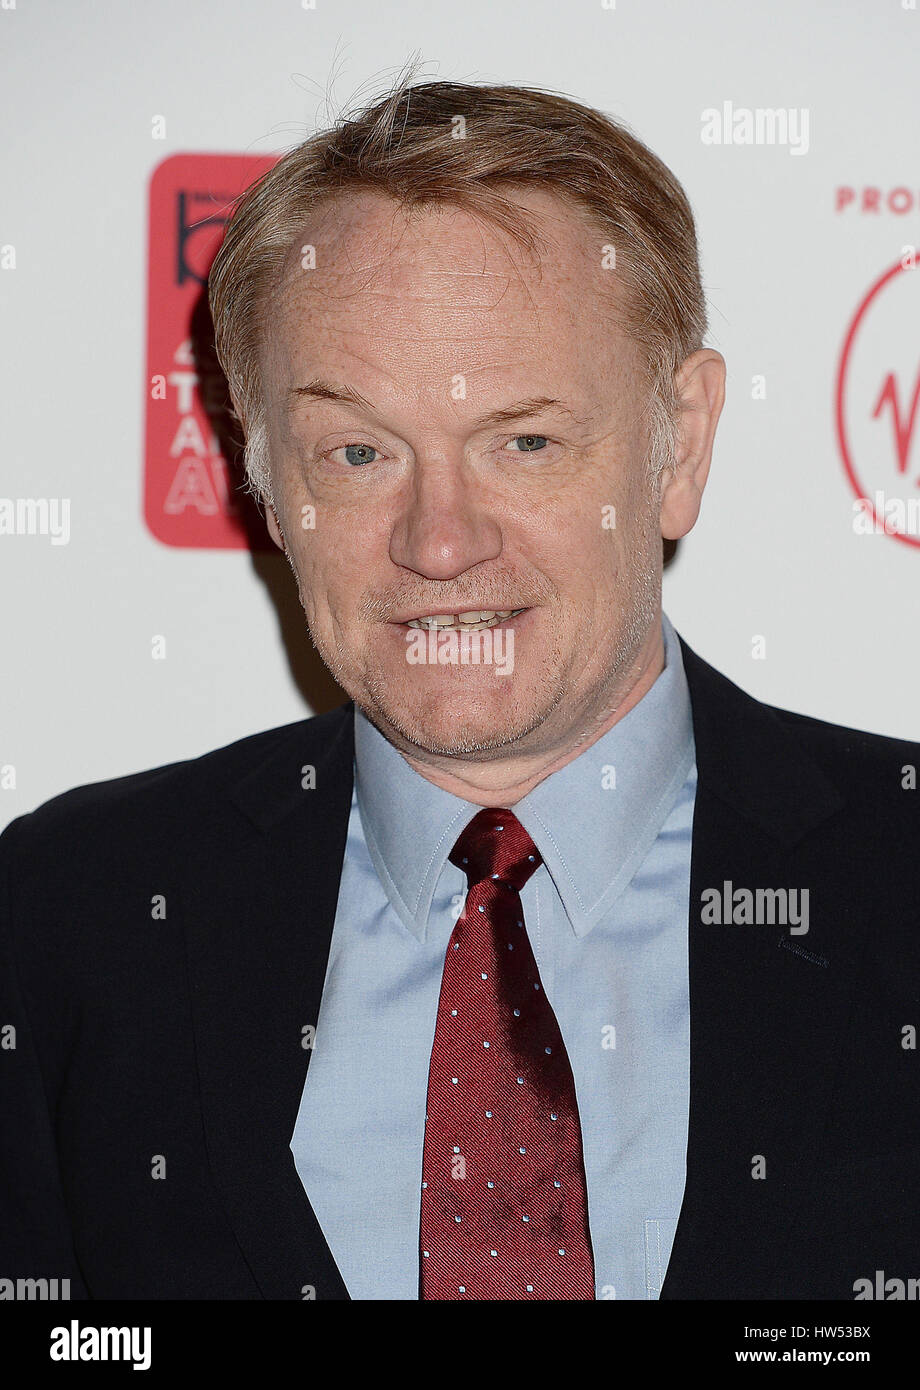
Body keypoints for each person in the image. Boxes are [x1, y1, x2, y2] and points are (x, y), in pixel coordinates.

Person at [2, 76, 918, 1302]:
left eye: (522, 441)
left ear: (678, 445)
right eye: (360, 451)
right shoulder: (71, 916)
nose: (439, 542)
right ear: (266, 478)